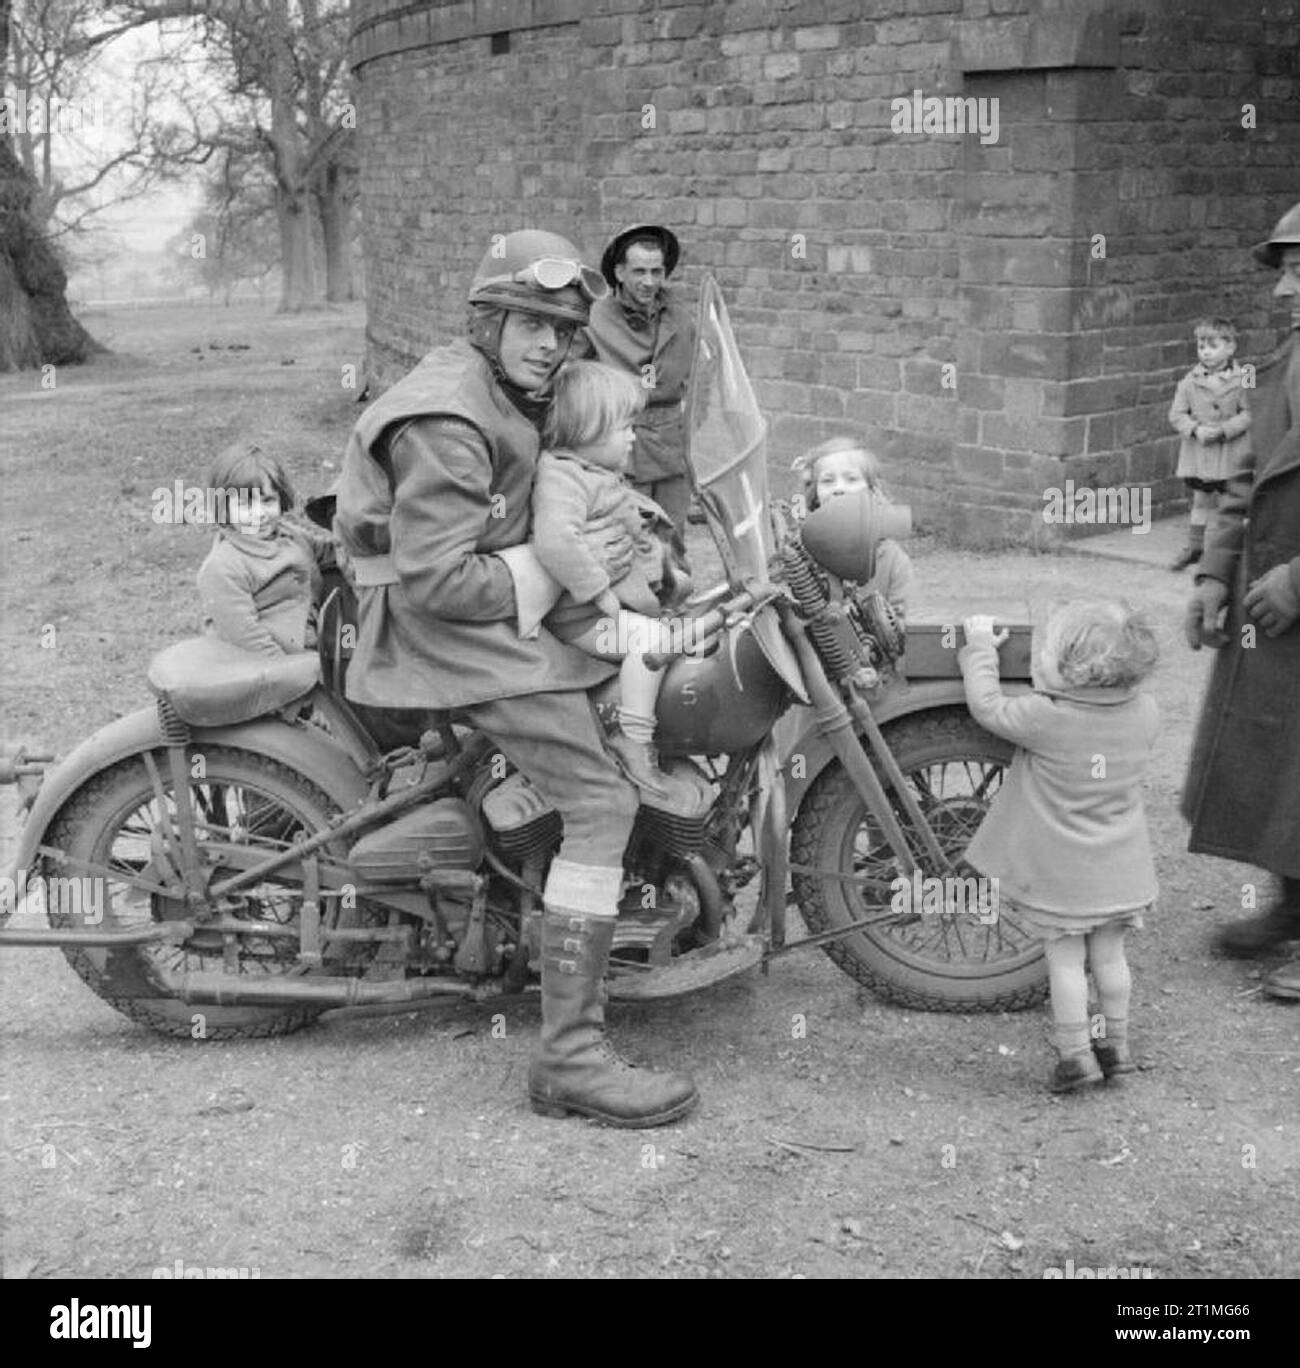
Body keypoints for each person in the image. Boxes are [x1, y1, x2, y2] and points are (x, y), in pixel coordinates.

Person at [332, 230, 698, 1126]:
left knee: (630, 665)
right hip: (435, 624)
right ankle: (570, 1057)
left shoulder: (508, 388)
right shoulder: (448, 421)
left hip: (482, 606)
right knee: (603, 803)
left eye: (565, 329)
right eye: (530, 322)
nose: (549, 344)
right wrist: (544, 569)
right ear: (489, 319)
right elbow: (441, 579)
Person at [958, 602, 1160, 1092]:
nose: (1039, 658)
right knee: (1111, 960)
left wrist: (981, 647)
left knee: (1066, 962)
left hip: (1066, 878)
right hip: (1122, 870)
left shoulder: (1045, 717)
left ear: (1072, 672)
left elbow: (987, 707)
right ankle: (1117, 1046)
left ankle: (1075, 1056)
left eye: (1047, 651)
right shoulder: (1146, 713)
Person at [1183, 200, 1300, 1002]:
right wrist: (1214, 575)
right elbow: (1240, 478)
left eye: (1298, 269)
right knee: (1281, 763)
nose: (1283, 290)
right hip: (1271, 600)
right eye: (1285, 269)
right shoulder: (1289, 357)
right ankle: (1292, 907)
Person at [527, 360, 696, 807]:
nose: (633, 436)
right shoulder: (561, 478)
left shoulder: (594, 473)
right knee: (652, 643)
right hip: (583, 618)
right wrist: (597, 589)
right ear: (587, 429)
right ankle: (634, 737)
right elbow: (555, 540)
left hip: (607, 608)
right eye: (624, 427)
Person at [584, 224, 696, 542]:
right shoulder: (594, 319)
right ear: (619, 272)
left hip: (672, 444)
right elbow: (573, 381)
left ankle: (678, 589)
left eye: (656, 271)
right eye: (639, 271)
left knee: (672, 537)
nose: (648, 282)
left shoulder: (680, 315)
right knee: (629, 535)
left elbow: (702, 377)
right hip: (622, 444)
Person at [197, 441, 333, 657]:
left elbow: (331, 552)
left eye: (268, 500)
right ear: (223, 507)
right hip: (260, 669)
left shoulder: (291, 536)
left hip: (309, 649)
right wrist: (285, 670)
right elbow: (245, 635)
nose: (259, 513)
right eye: (245, 505)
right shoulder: (223, 567)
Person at [792, 435, 914, 617]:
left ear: (871, 490)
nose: (838, 488)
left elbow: (902, 625)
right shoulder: (798, 553)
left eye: (851, 479)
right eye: (827, 481)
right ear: (816, 494)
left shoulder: (893, 561)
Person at [1167, 317, 1252, 571]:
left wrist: (1226, 429)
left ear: (1230, 347)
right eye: (1201, 347)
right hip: (1201, 452)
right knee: (1201, 500)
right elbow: (1176, 415)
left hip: (1232, 452)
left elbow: (1251, 411)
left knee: (1234, 502)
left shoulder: (1246, 376)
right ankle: (1194, 547)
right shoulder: (1188, 381)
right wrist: (1196, 430)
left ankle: (1232, 551)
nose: (1205, 352)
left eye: (1212, 346)